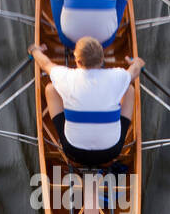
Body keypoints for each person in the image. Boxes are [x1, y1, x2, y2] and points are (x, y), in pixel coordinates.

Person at [29, 37, 143, 167]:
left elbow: (45, 64)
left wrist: (34, 50)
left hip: (73, 151)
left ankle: (62, 136)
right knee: (128, 89)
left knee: (50, 88)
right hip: (111, 151)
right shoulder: (118, 76)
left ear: (77, 61)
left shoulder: (66, 76)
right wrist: (137, 63)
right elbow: (135, 71)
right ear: (102, 60)